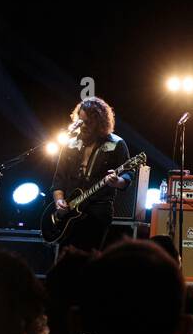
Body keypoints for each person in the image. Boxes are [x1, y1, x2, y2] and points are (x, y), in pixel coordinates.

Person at [48, 97, 132, 251]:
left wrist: (116, 180)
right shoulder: (70, 143)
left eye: (88, 122)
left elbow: (127, 177)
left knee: (89, 259)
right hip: (70, 212)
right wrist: (59, 201)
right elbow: (59, 178)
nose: (83, 126)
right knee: (66, 258)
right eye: (80, 121)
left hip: (98, 211)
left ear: (100, 122)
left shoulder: (116, 144)